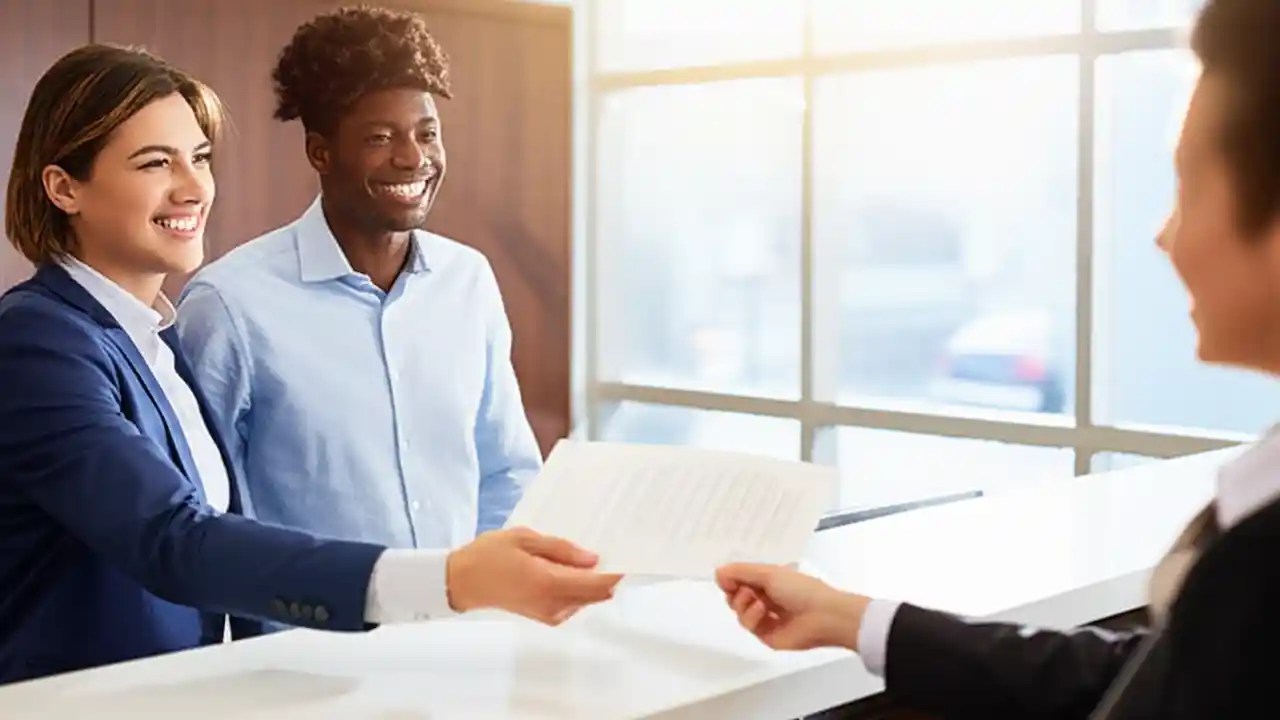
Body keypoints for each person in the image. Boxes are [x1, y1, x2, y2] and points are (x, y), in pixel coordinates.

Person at [717, 1, 1280, 717]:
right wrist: (851, 617)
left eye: (1187, 186)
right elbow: (1135, 678)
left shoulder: (1263, 564)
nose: (1164, 235)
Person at [0, 43, 619, 686]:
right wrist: (450, 578)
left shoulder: (153, 338)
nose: (192, 187)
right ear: (64, 187)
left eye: (201, 158)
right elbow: (173, 540)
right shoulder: (37, 342)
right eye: (155, 163)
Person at [174, 8, 541, 611]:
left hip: (459, 642)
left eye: (426, 133)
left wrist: (491, 613)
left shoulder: (468, 281)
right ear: (320, 152)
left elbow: (504, 470)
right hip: (307, 662)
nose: (412, 158)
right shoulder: (230, 305)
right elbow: (205, 516)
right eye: (380, 138)